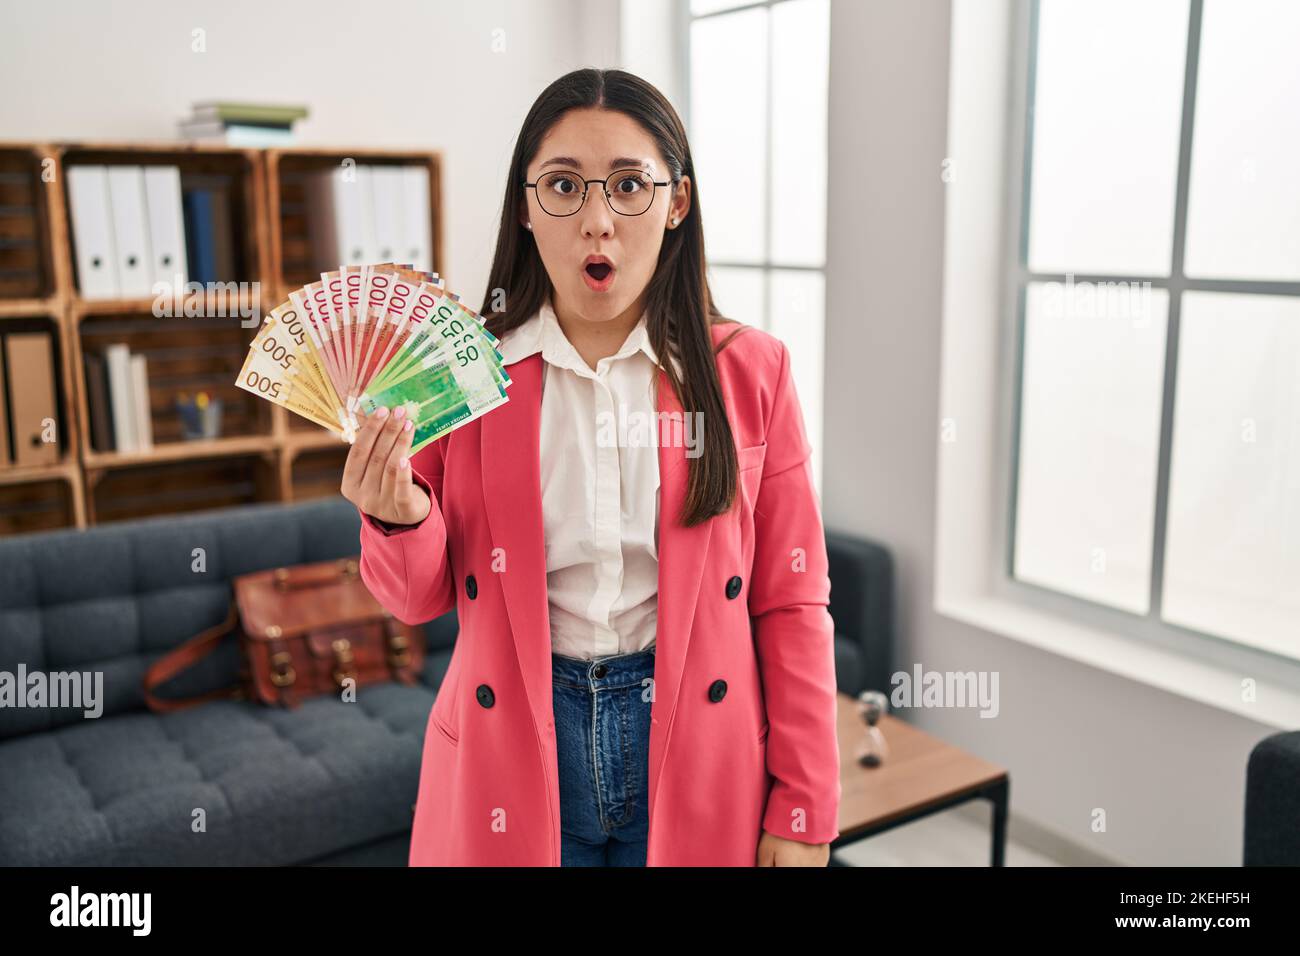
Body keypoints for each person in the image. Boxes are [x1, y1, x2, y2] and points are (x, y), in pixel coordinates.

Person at [340, 68, 840, 867]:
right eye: (565, 186)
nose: (597, 222)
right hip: (516, 748)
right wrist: (396, 516)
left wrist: (805, 805)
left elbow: (792, 602)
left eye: (630, 186)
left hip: (696, 749)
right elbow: (415, 597)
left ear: (677, 204)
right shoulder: (459, 372)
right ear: (528, 206)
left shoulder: (753, 371)